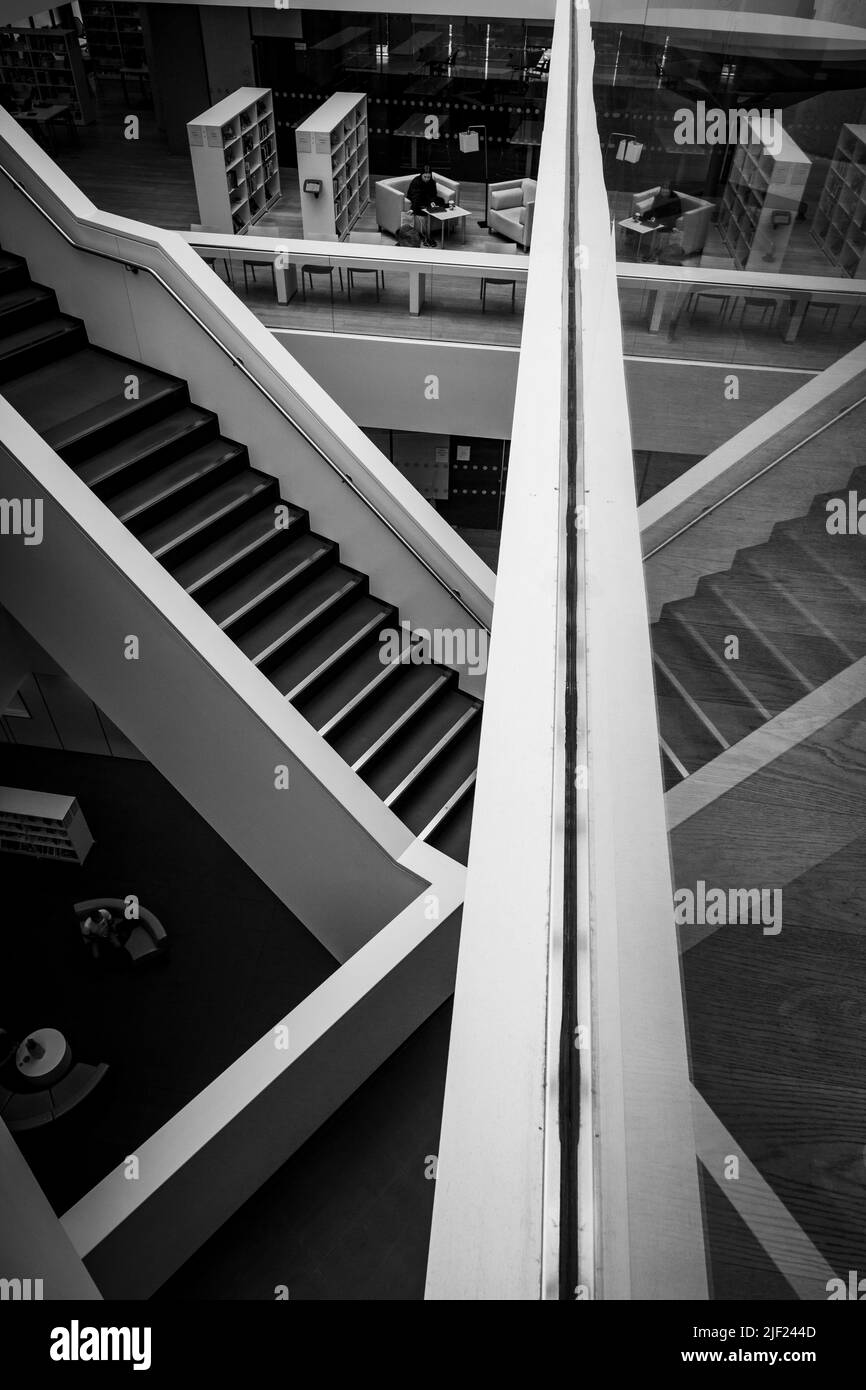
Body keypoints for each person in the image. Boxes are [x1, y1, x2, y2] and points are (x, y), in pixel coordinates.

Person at [406, 165, 446, 247]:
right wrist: (413, 209)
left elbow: (433, 194)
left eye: (429, 177)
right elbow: (415, 196)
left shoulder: (431, 181)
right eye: (425, 177)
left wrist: (432, 202)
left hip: (427, 199)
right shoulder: (416, 181)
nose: (427, 179)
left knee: (441, 201)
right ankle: (426, 237)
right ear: (421, 175)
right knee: (421, 211)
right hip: (416, 199)